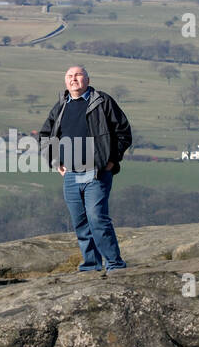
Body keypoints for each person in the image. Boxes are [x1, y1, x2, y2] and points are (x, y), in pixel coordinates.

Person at [38, 66, 133, 272]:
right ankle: (91, 265)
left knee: (97, 217)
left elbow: (123, 132)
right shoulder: (61, 106)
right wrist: (55, 161)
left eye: (78, 75)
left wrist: (112, 160)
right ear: (65, 82)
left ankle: (115, 264)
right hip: (71, 174)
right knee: (80, 222)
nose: (74, 79)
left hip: (97, 173)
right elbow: (45, 136)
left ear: (87, 80)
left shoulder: (102, 101)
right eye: (70, 76)